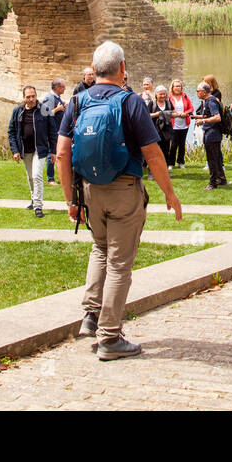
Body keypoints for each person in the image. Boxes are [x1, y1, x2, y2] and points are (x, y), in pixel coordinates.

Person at [56, 41, 182, 361]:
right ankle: (110, 337)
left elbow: (61, 153)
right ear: (122, 68)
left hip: (89, 191)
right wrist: (170, 194)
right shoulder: (131, 102)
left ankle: (91, 314)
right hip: (124, 189)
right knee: (119, 262)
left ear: (95, 69)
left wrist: (70, 199)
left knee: (99, 248)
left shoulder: (78, 101)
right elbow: (153, 154)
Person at [7, 85, 53, 218]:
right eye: (28, 96)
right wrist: (15, 150)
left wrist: (54, 150)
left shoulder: (44, 110)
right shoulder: (18, 111)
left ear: (36, 96)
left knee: (37, 175)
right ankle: (34, 200)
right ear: (24, 98)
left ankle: (38, 206)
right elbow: (11, 132)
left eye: (33, 96)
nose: (31, 99)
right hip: (25, 149)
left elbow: (52, 131)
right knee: (30, 177)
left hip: (40, 149)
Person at [195, 81, 228, 190]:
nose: (197, 93)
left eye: (198, 91)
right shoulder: (207, 101)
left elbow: (217, 117)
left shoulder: (211, 101)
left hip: (212, 134)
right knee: (217, 158)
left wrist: (203, 121)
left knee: (212, 159)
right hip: (212, 133)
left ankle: (212, 183)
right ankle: (222, 179)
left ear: (204, 92)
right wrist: (197, 117)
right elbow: (209, 115)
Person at [40, 78, 68, 186]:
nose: (64, 89)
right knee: (51, 154)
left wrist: (62, 107)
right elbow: (44, 114)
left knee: (58, 154)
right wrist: (58, 109)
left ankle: (60, 177)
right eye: (62, 87)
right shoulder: (49, 98)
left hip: (58, 130)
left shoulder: (57, 97)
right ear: (56, 87)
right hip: (52, 131)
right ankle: (50, 179)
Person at [165, 78, 193, 170]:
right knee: (173, 145)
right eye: (176, 86)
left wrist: (185, 114)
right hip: (173, 124)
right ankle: (171, 163)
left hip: (184, 124)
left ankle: (181, 162)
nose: (178, 88)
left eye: (179, 86)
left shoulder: (185, 96)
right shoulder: (169, 97)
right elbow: (167, 109)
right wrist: (176, 113)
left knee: (182, 144)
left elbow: (191, 108)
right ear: (172, 87)